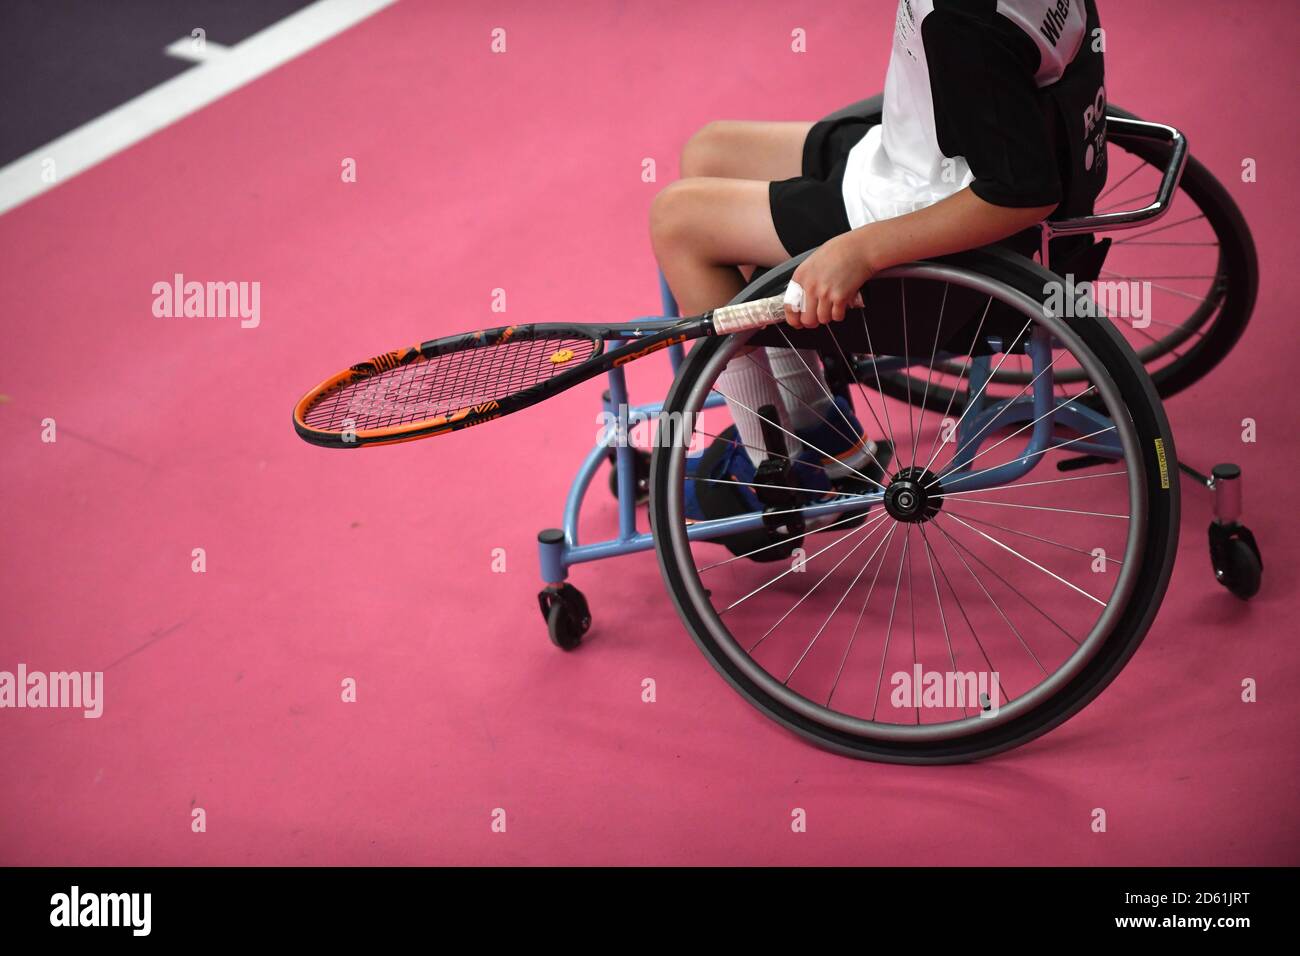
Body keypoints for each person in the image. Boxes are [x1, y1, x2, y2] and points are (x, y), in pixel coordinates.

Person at [650, 0, 1107, 534]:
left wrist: (861, 250)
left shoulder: (964, 21)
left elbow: (1023, 195)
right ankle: (824, 436)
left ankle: (771, 475)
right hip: (918, 166)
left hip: (926, 237)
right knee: (712, 152)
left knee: (677, 221)